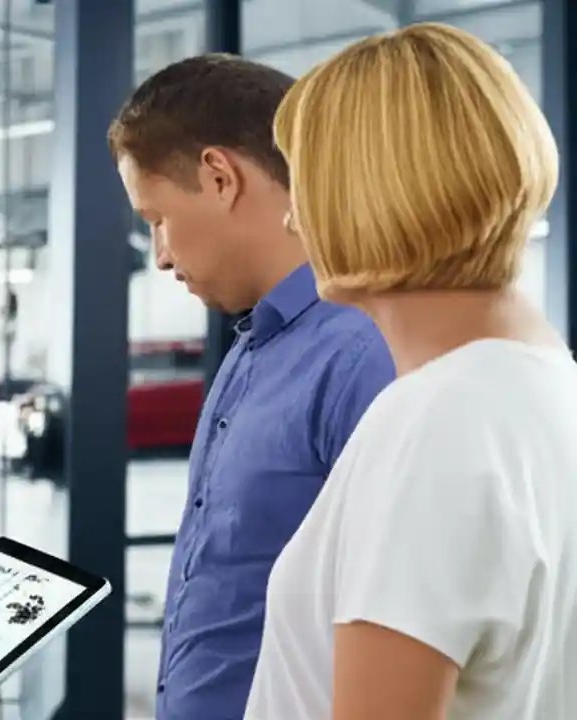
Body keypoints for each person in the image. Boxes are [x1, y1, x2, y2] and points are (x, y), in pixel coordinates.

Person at [246, 22, 576, 720]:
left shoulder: (438, 421)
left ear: (366, 190)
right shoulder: (546, 389)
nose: (293, 220)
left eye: (305, 182)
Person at [106, 55, 396, 719]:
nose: (161, 255)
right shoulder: (252, 349)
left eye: (157, 218)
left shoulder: (363, 358)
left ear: (219, 177)